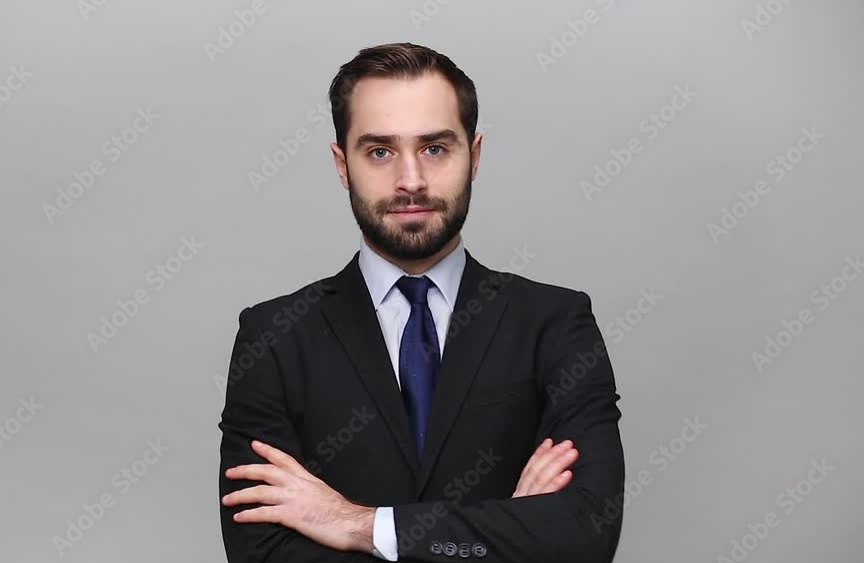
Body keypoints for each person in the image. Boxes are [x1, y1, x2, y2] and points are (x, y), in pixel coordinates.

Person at [219, 42, 625, 562]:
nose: (411, 180)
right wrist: (509, 536)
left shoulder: (555, 324)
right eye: (379, 151)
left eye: (435, 148)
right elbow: (263, 553)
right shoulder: (273, 336)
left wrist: (361, 525)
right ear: (342, 165)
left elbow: (584, 535)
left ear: (473, 156)